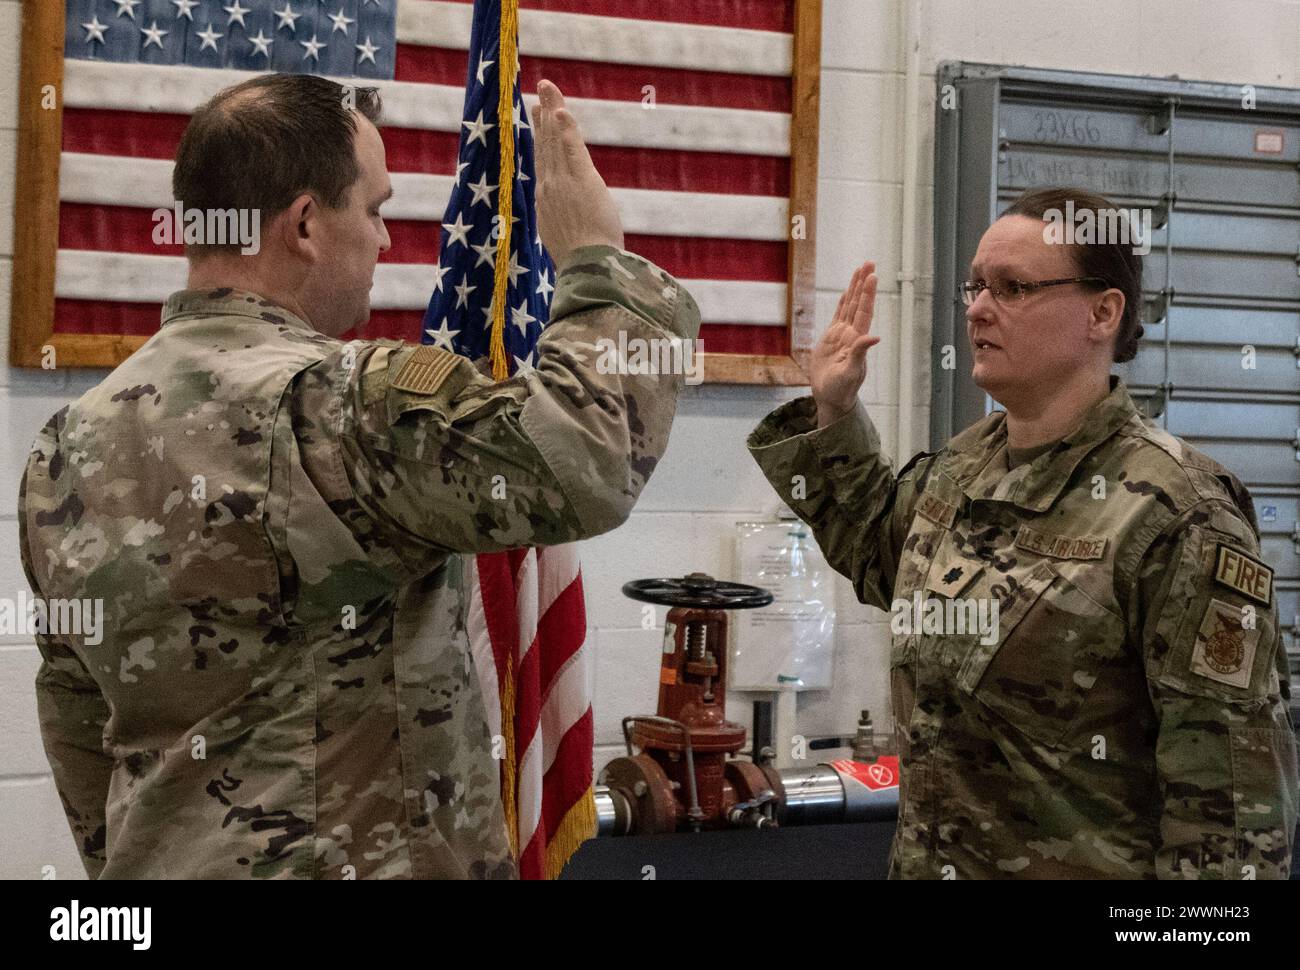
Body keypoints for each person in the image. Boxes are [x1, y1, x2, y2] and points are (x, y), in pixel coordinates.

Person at [18, 75, 701, 879]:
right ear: (305, 223)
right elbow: (585, 462)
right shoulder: (342, 401)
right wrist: (597, 259)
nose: (384, 240)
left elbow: (74, 713)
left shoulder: (66, 444)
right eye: (374, 210)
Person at [748, 186, 1297, 878]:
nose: (978, 308)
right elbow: (876, 554)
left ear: (1103, 312)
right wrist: (835, 410)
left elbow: (1234, 824)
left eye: (1013, 287)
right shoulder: (961, 469)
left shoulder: (1178, 514)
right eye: (976, 285)